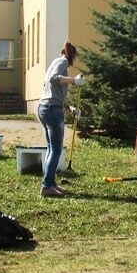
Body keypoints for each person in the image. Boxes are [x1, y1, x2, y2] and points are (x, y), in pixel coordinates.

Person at [37, 41, 85, 197]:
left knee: (51, 148)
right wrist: (74, 80)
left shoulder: (55, 62)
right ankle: (46, 186)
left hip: (45, 108)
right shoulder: (63, 62)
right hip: (52, 110)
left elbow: (54, 92)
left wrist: (70, 108)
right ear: (72, 56)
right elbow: (54, 79)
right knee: (56, 150)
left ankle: (51, 184)